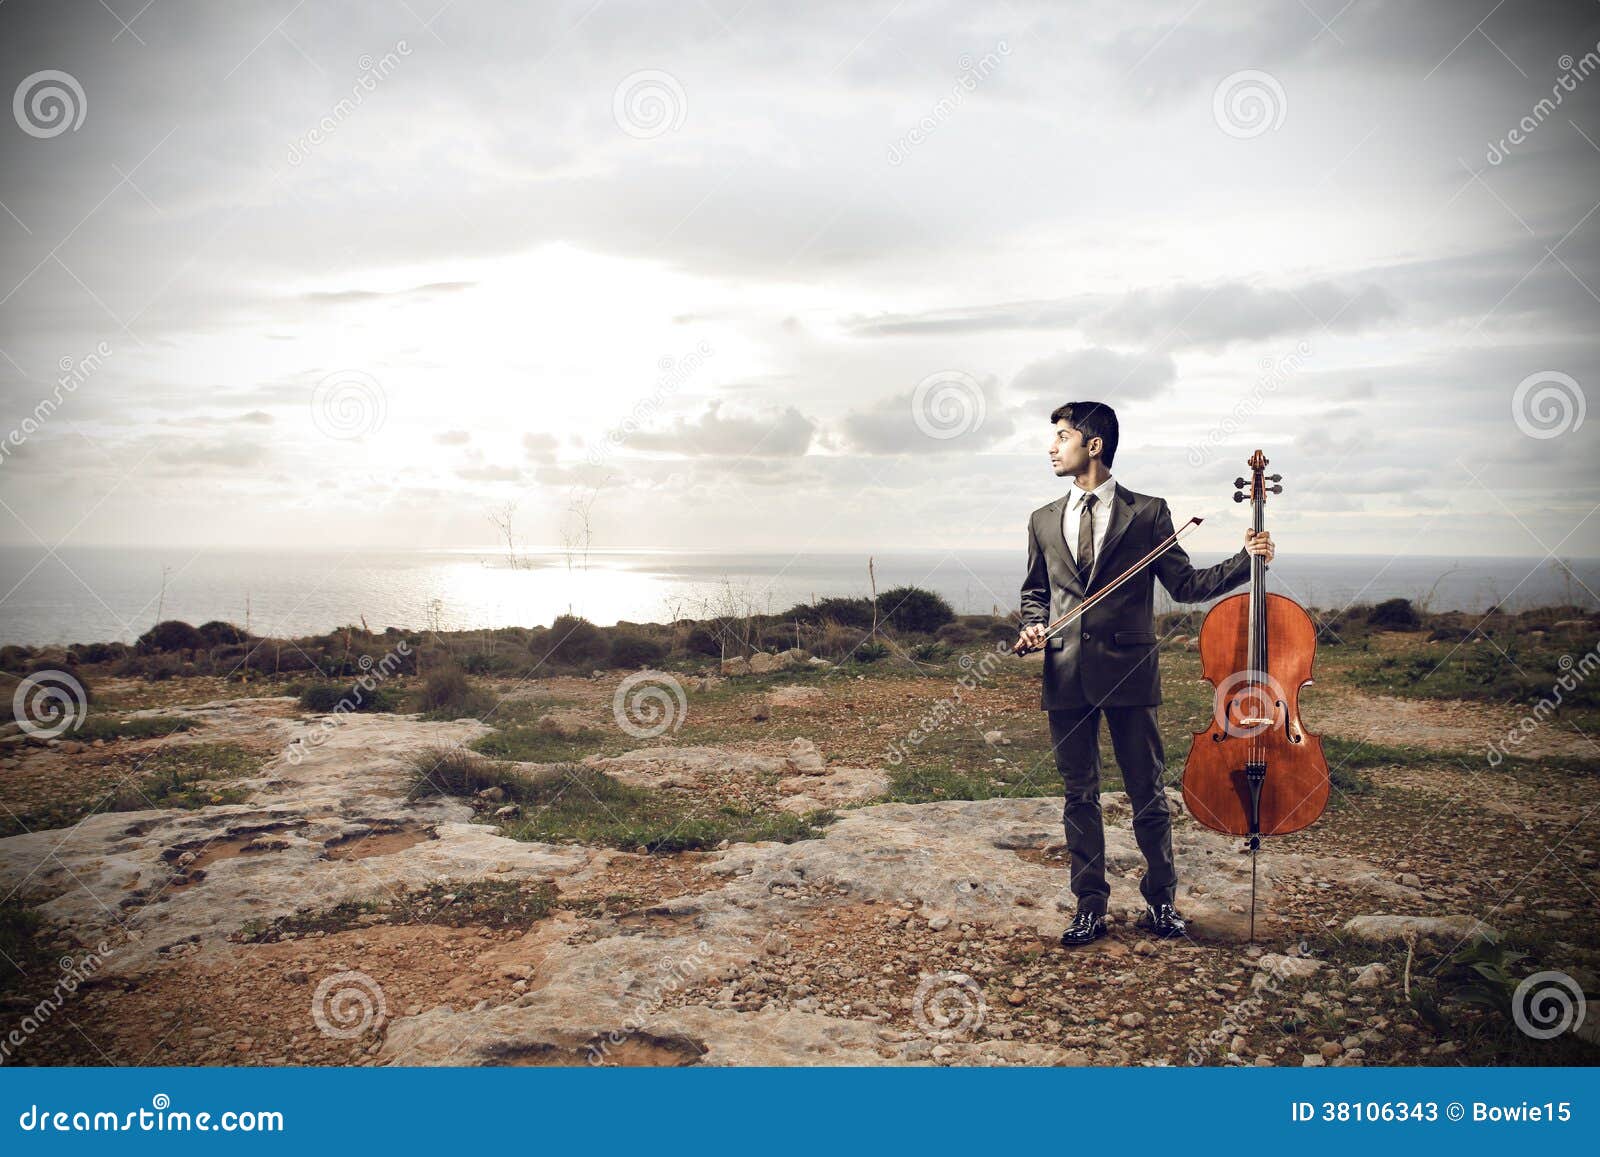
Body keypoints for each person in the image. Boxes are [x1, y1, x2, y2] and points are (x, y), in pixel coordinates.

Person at [1016, 401, 1275, 947]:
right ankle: (1089, 906)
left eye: (1061, 436)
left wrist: (1244, 559)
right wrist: (1035, 625)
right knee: (1078, 794)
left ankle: (1162, 902)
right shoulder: (1041, 518)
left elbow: (1184, 585)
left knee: (1146, 793)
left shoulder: (1149, 512)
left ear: (1094, 445)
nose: (1051, 447)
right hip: (1064, 674)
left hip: (1129, 672)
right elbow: (1036, 591)